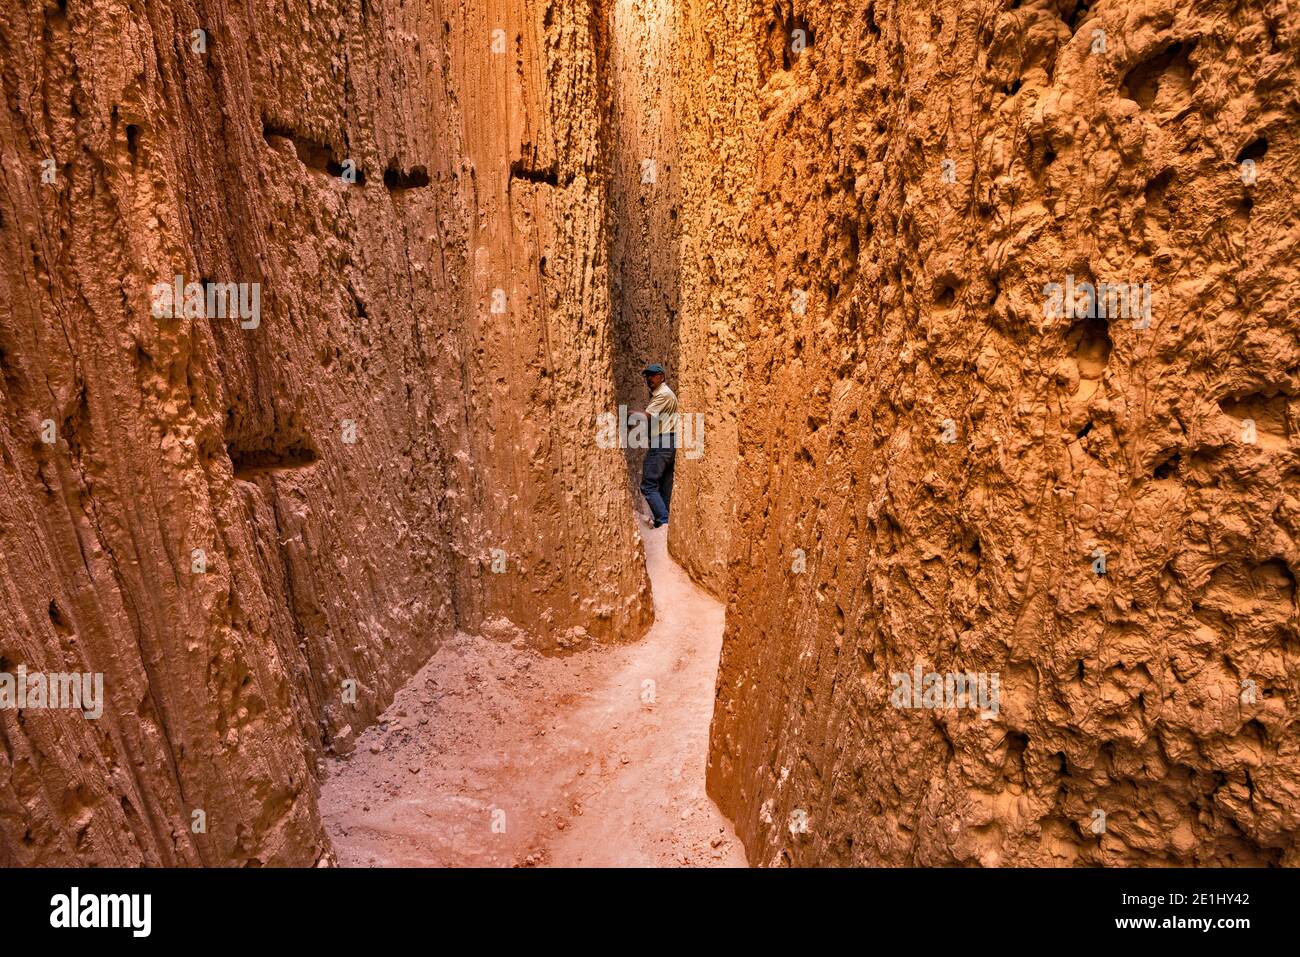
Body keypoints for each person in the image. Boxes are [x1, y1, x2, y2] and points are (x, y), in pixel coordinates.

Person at [637, 363, 678, 528]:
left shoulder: (662, 394)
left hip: (662, 443)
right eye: (648, 375)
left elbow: (645, 416)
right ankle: (667, 526)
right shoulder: (666, 394)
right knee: (664, 486)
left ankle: (663, 521)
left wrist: (625, 415)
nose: (649, 378)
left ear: (662, 377)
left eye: (653, 375)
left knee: (648, 484)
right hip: (671, 443)